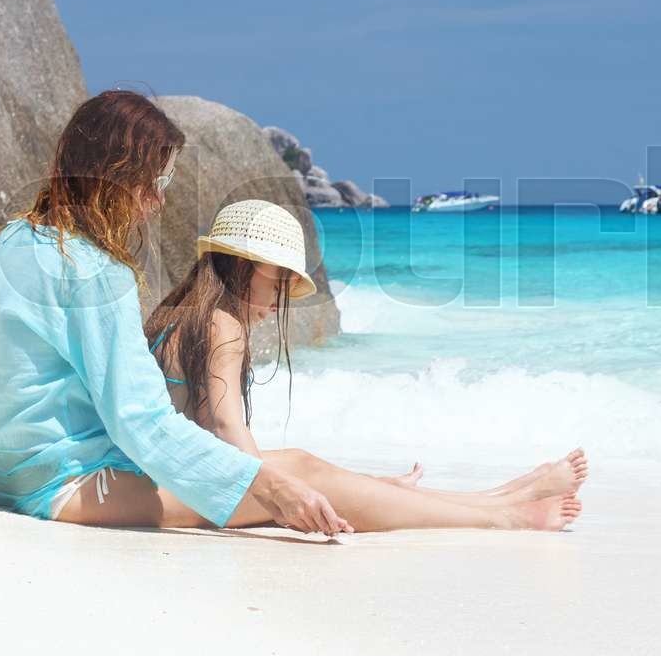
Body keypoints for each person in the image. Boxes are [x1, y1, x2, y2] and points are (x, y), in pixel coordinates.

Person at [0, 91, 349, 536]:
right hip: (67, 484)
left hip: (12, 477)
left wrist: (268, 481)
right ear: (113, 175)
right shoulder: (93, 271)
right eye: (156, 183)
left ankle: (438, 503)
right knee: (302, 482)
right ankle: (451, 517)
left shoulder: (6, 241)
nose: (158, 201)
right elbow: (140, 420)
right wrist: (270, 489)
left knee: (298, 467)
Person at [144, 198, 587, 532]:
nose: (279, 301)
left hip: (164, 479)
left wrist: (348, 482)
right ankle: (503, 516)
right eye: (278, 282)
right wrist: (284, 491)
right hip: (168, 489)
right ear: (245, 267)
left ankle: (500, 497)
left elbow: (208, 435)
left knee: (305, 465)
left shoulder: (179, 315)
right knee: (307, 474)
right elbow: (226, 430)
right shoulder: (224, 324)